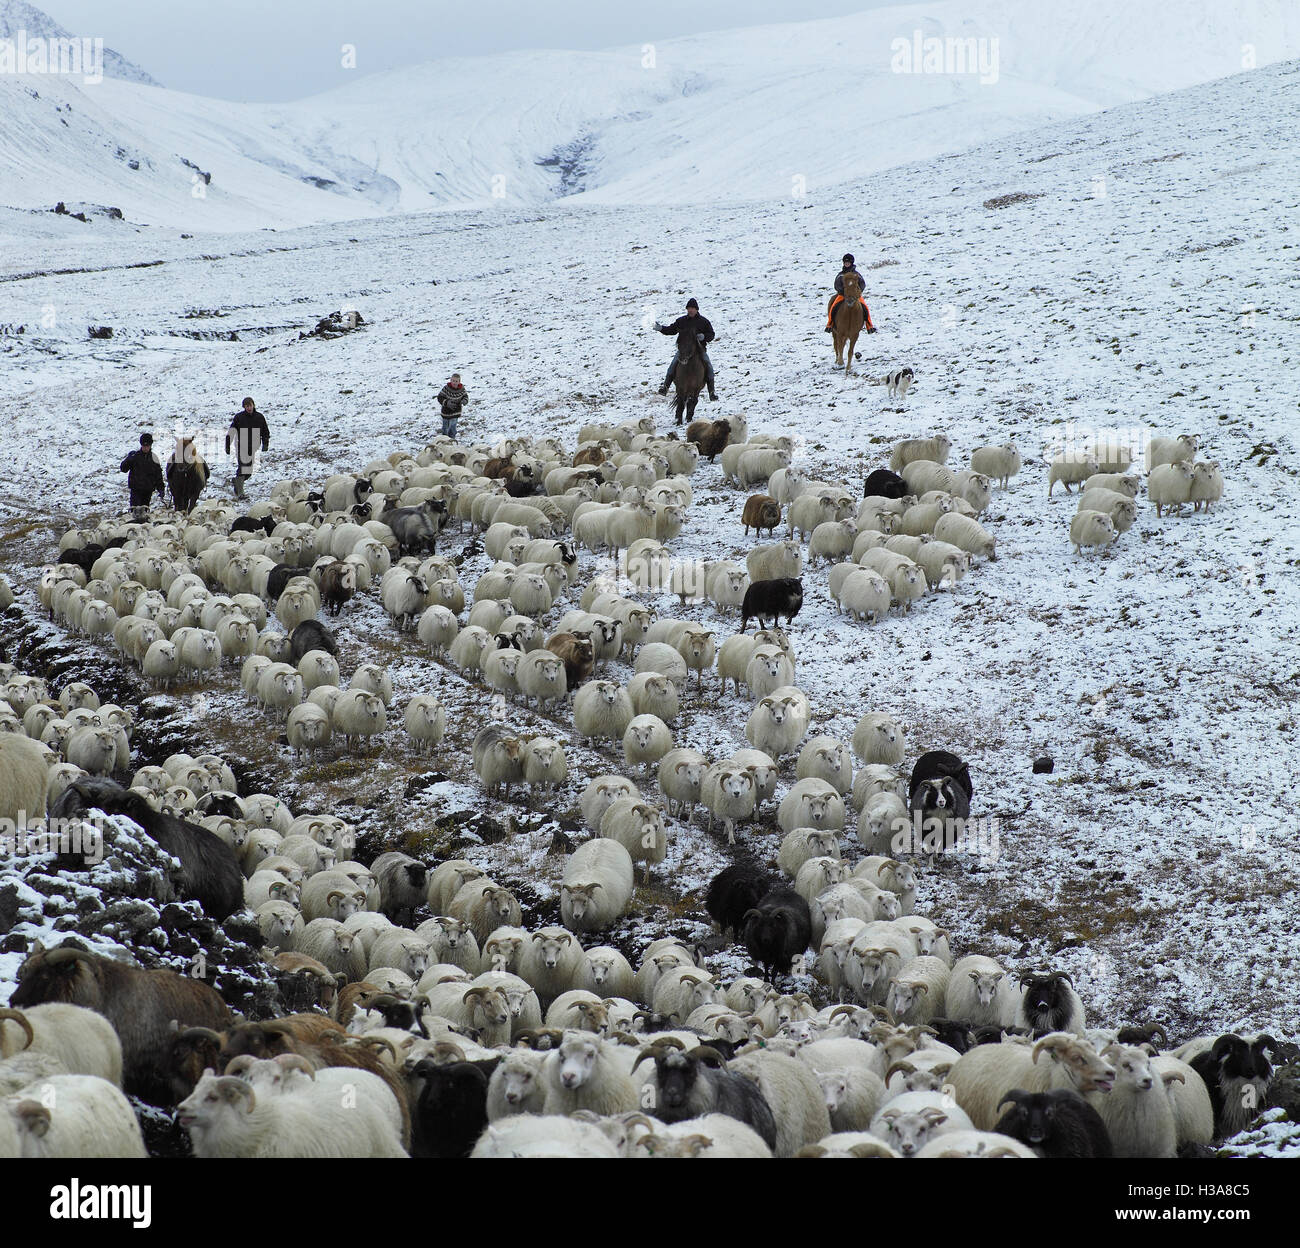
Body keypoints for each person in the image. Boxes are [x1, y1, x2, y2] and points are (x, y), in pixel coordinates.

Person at [655, 298, 717, 401]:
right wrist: (661, 328)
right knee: (673, 365)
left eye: (692, 308)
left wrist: (704, 337)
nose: (690, 310)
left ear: (696, 309)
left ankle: (711, 392)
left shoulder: (704, 322)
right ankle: (665, 387)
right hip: (683, 350)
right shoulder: (681, 321)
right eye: (689, 308)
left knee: (709, 366)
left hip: (699, 351)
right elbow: (671, 330)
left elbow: (711, 334)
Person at [225, 397, 270, 500]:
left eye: (250, 405)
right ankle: (240, 493)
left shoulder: (259, 417)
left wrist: (265, 444)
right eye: (246, 406)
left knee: (248, 472)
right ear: (244, 407)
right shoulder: (239, 417)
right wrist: (227, 445)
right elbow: (231, 432)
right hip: (241, 446)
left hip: (253, 447)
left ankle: (237, 481)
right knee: (242, 468)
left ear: (253, 405)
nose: (249, 408)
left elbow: (265, 432)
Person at [825, 253, 876, 333]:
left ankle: (869, 326)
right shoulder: (840, 275)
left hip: (855, 296)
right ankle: (830, 324)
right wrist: (842, 291)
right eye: (845, 263)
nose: (846, 264)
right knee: (834, 306)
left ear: (851, 263)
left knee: (865, 307)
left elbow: (862, 284)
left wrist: (857, 292)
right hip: (843, 295)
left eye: (848, 263)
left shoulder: (857, 274)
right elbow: (836, 285)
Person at [119, 432, 165, 519]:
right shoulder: (134, 456)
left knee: (144, 515)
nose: (145, 448)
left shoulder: (154, 458)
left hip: (148, 491)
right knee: (135, 514)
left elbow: (158, 475)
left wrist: (161, 489)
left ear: (150, 445)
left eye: (147, 446)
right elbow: (123, 469)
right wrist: (128, 460)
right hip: (136, 490)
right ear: (141, 445)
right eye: (144, 446)